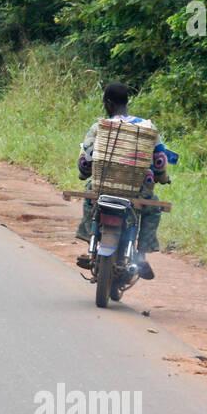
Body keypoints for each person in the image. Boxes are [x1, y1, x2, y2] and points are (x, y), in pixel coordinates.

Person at [74, 82, 177, 279]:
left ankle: (90, 242)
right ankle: (141, 254)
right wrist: (162, 177)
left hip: (103, 187)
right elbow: (160, 160)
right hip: (138, 190)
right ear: (127, 102)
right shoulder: (147, 127)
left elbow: (86, 159)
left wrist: (83, 173)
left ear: (109, 103)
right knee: (152, 209)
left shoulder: (100, 127)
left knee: (89, 198)